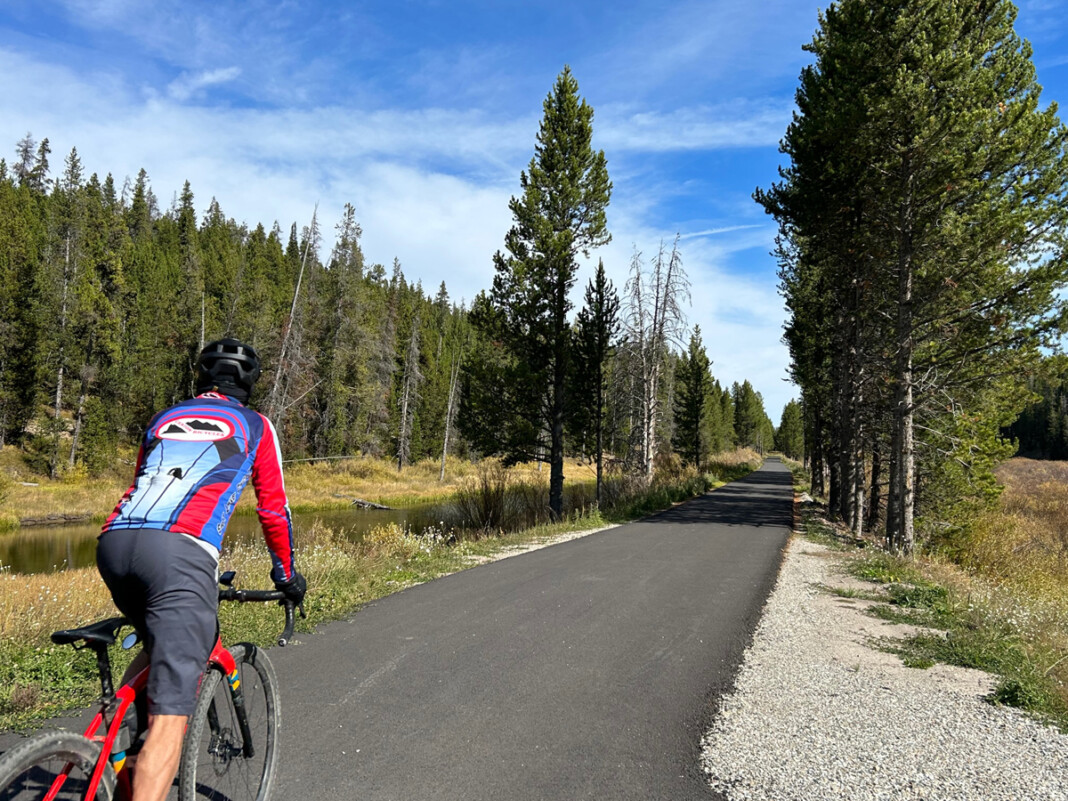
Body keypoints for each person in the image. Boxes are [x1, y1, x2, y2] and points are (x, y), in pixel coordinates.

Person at [96, 338, 306, 801]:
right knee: (173, 716)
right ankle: (139, 751)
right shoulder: (254, 424)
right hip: (181, 555)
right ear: (248, 383)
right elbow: (274, 510)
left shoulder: (163, 419)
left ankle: (111, 742)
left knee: (161, 645)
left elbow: (141, 481)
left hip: (113, 544)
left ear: (202, 377)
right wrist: (286, 576)